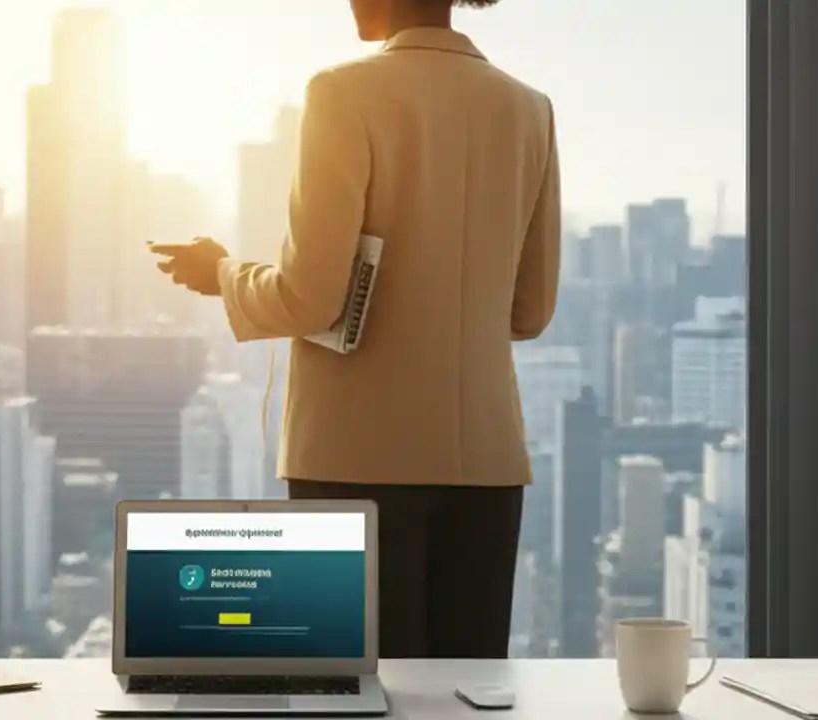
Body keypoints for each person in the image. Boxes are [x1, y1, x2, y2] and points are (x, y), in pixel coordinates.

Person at [152, 0, 560, 659]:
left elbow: (308, 298)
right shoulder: (528, 107)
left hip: (354, 461)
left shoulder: (342, 92)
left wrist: (223, 272)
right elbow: (530, 312)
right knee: (466, 694)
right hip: (487, 464)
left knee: (357, 693)